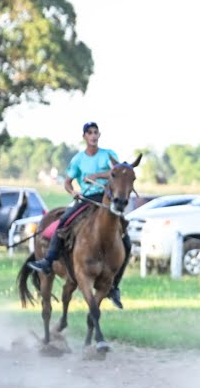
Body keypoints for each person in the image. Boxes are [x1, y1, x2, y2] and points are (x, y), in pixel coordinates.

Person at [28, 121, 130, 309]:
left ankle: (114, 285)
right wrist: (72, 192)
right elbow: (67, 181)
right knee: (64, 221)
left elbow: (119, 171)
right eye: (89, 133)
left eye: (95, 132)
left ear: (99, 135)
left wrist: (97, 176)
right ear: (84, 137)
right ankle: (48, 260)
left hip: (106, 199)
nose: (93, 135)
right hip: (86, 200)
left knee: (126, 237)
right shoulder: (78, 159)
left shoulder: (108, 154)